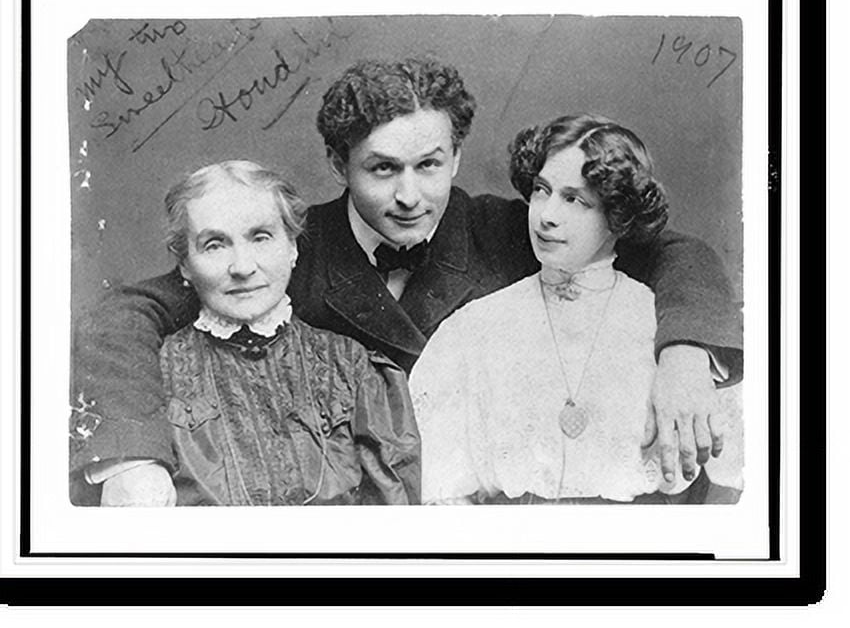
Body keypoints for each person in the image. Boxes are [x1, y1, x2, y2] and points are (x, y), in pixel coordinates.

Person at [70, 57, 742, 502]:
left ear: (457, 156)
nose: (410, 196)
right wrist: (132, 459)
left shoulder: (512, 229)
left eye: (430, 165)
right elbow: (125, 314)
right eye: (382, 169)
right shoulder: (284, 250)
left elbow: (671, 251)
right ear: (338, 163)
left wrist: (685, 355)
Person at [409, 114, 742, 504]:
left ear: (617, 216)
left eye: (574, 199)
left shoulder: (663, 328)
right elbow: (441, 492)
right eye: (541, 190)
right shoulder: (475, 328)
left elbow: (733, 487)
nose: (547, 216)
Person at [69, 161, 420, 506]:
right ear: (185, 264)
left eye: (261, 237)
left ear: (293, 247)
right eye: (214, 245)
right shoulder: (149, 378)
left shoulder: (354, 368)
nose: (242, 267)